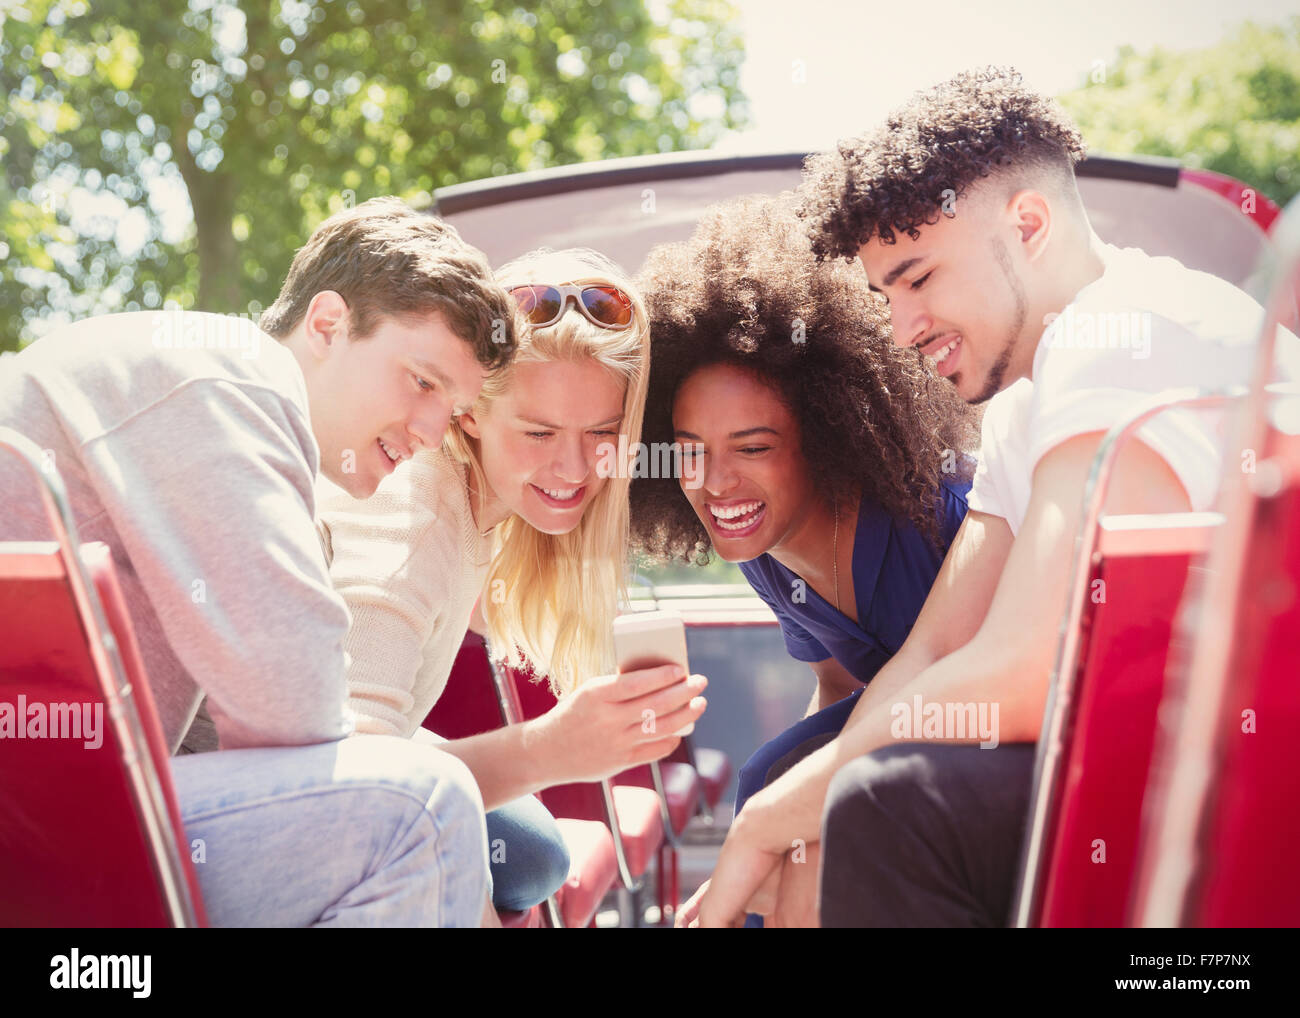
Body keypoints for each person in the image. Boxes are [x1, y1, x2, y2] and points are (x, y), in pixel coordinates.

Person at [689, 66, 1293, 928]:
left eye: (919, 277)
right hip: (1175, 759)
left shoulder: (1125, 332)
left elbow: (1025, 671)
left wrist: (773, 817)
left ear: (1029, 223)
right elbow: (938, 645)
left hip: (1250, 782)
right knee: (829, 801)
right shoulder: (1026, 399)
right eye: (884, 294)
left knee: (883, 805)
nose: (899, 328)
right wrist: (789, 806)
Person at [0, 197, 519, 926]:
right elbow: (295, 712)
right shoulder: (232, 381)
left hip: (53, 801)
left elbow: (249, 728)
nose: (433, 431)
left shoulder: (197, 382)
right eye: (423, 381)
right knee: (420, 808)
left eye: (454, 408)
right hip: (39, 824)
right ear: (327, 325)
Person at [316, 248, 709, 914]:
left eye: (602, 432)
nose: (575, 466)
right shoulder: (412, 523)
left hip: (375, 757)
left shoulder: (485, 509)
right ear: (467, 411)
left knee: (533, 853)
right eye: (538, 431)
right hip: (300, 795)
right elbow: (359, 800)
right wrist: (551, 749)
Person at [627, 195, 978, 927]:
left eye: (752, 448)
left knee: (798, 827)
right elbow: (838, 682)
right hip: (895, 748)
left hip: (981, 747)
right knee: (767, 777)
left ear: (826, 435)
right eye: (689, 452)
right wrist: (781, 792)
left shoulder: (938, 517)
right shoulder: (761, 548)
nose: (714, 484)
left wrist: (790, 813)